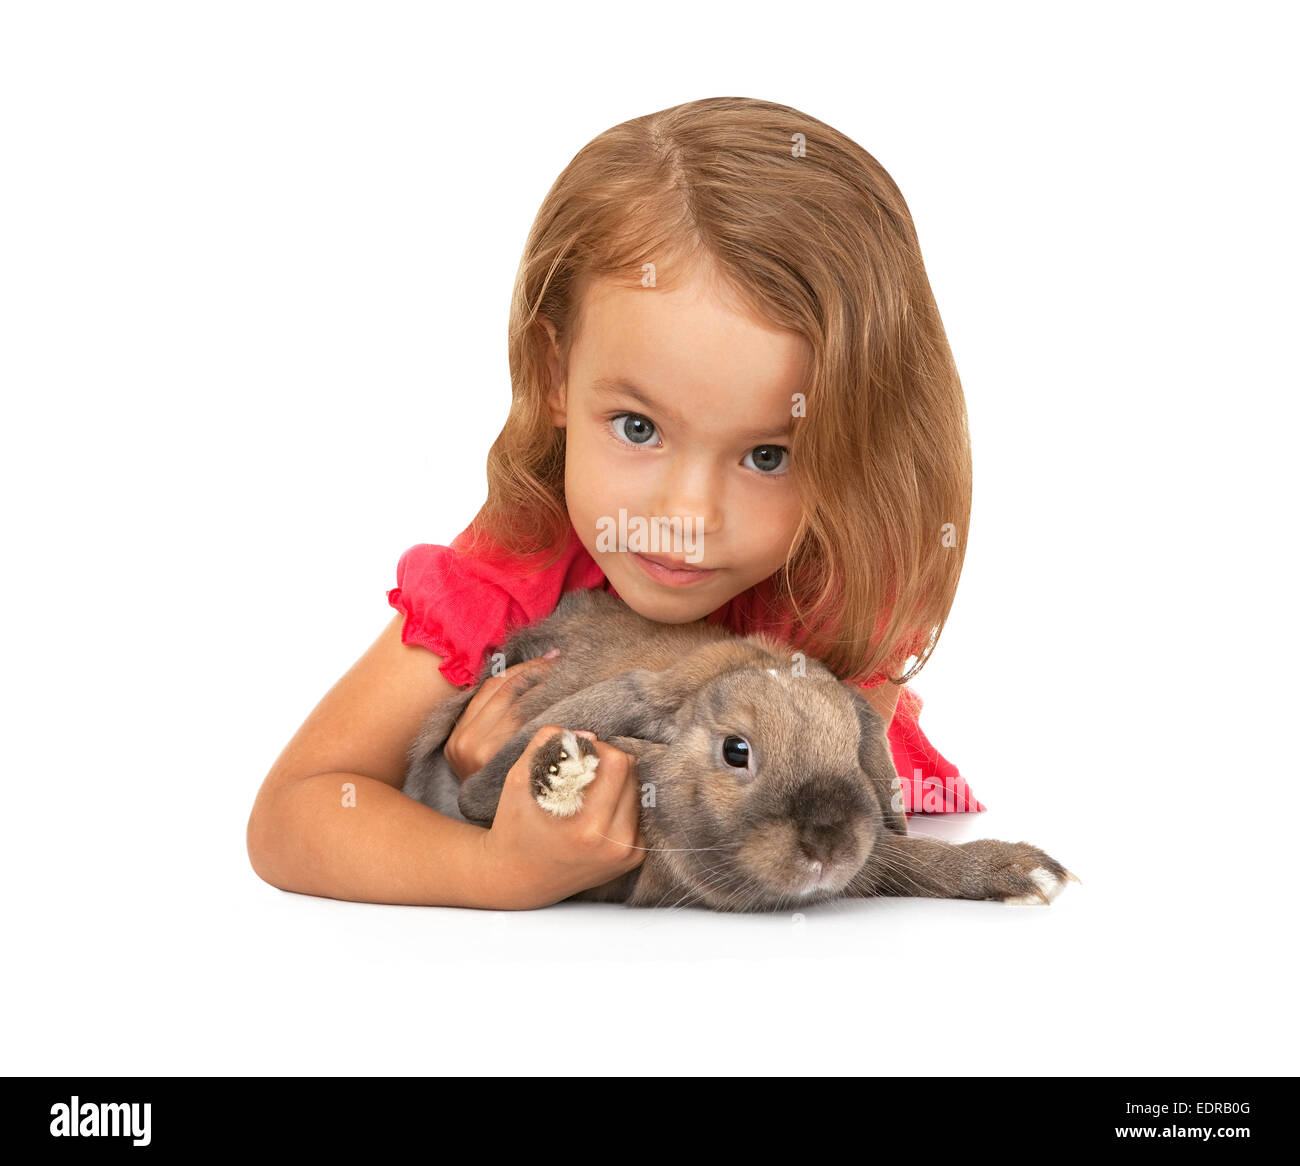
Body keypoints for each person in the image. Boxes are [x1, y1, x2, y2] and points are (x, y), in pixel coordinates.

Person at [246, 95, 984, 911]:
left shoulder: (835, 580)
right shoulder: (509, 575)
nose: (686, 514)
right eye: (639, 427)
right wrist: (492, 863)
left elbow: (799, 843)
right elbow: (295, 812)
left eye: (767, 454)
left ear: (858, 448)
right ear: (555, 375)